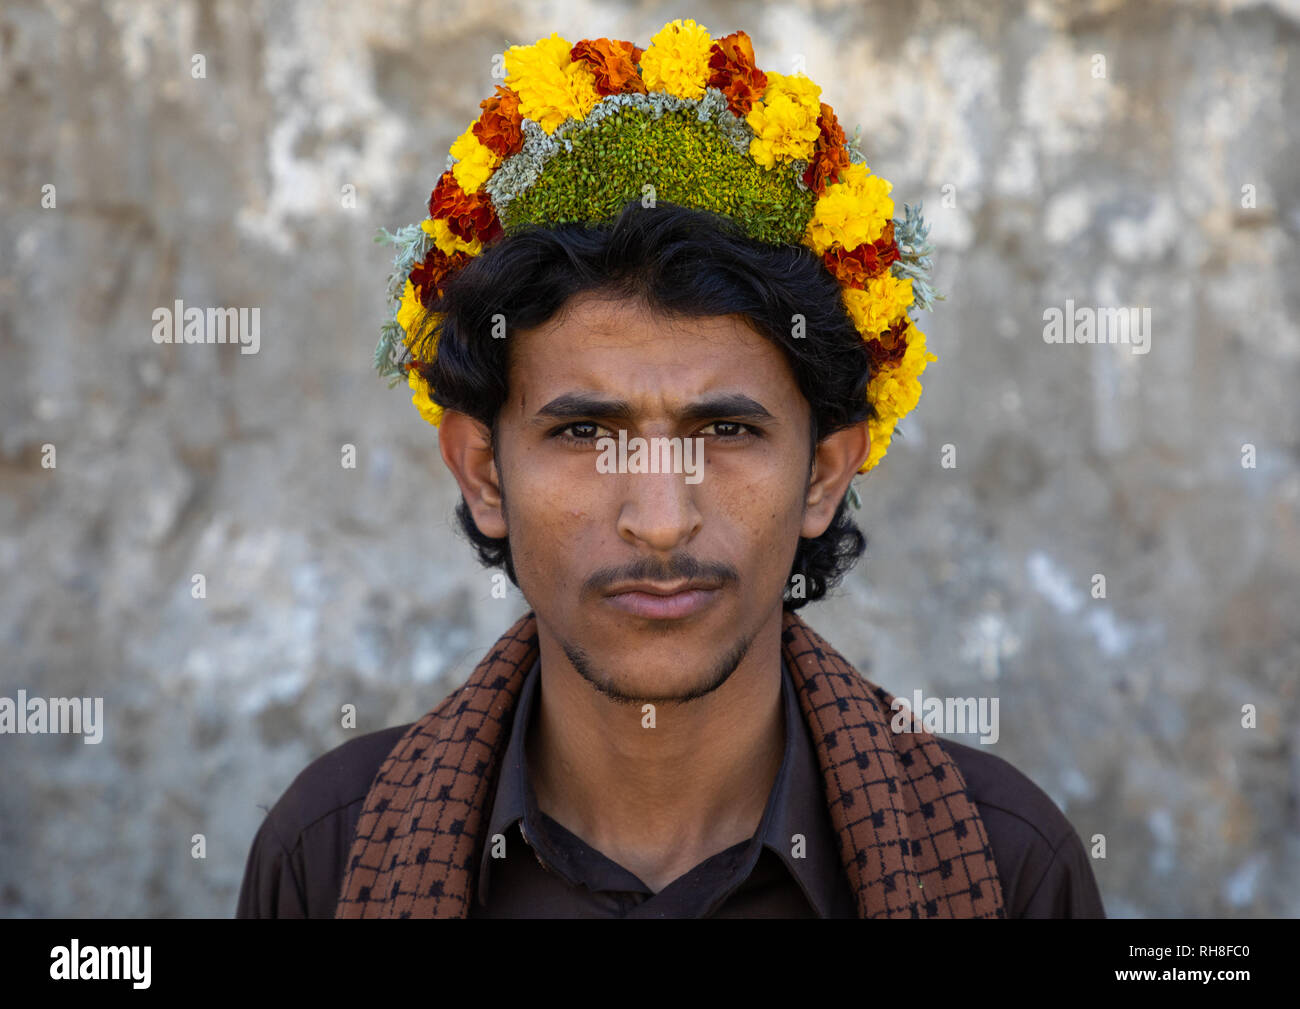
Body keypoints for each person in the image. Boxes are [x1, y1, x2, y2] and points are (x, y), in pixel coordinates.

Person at [236, 20, 1104, 919]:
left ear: (824, 474)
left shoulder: (1004, 869)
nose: (659, 519)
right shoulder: (329, 858)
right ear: (483, 474)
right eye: (584, 435)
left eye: (725, 429)